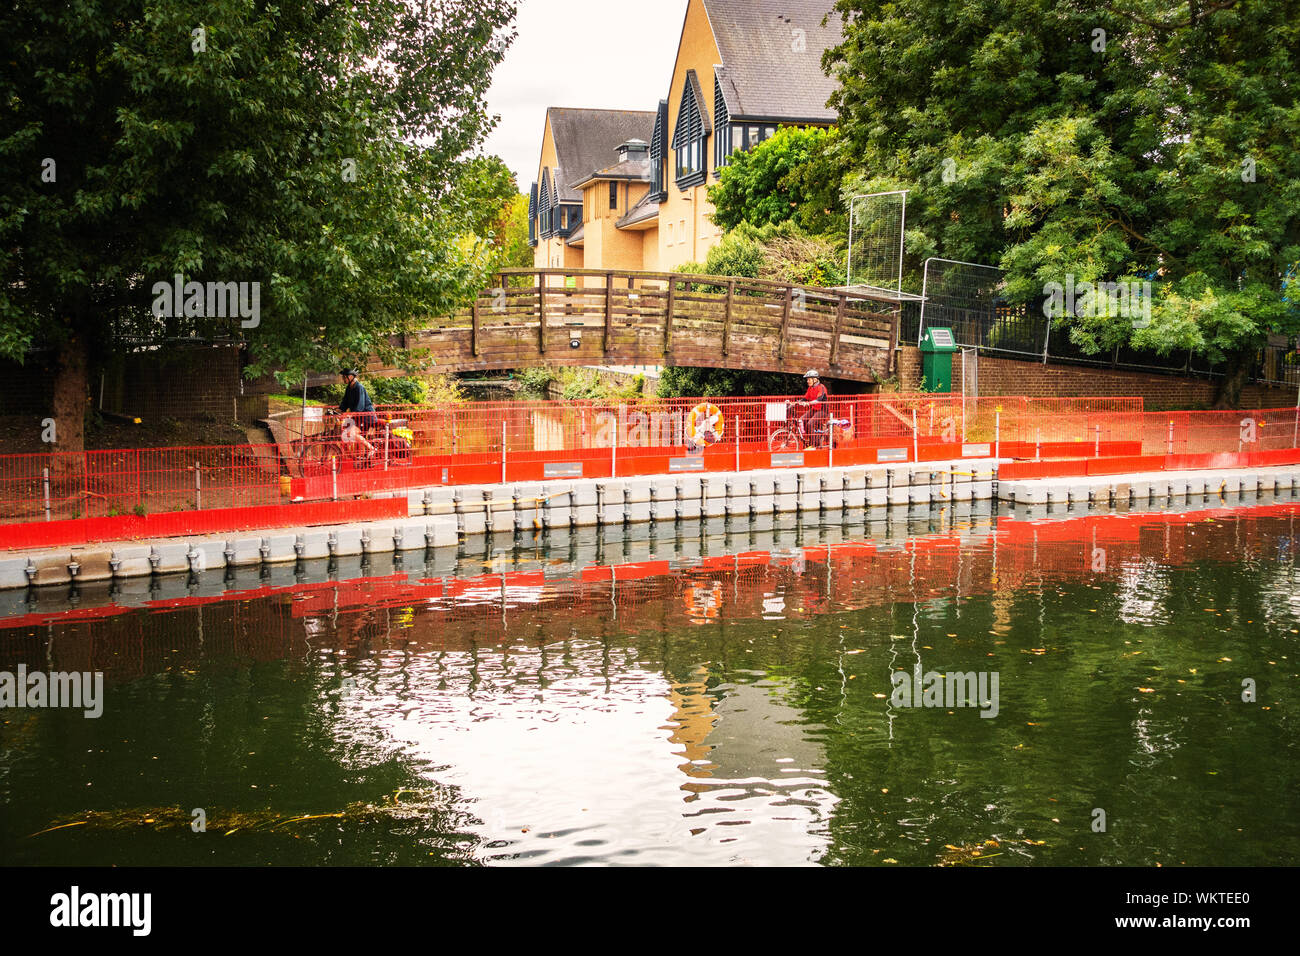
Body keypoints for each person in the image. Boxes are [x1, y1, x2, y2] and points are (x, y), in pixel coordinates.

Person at [336, 368, 377, 459]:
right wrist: (338, 410)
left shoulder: (359, 387)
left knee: (351, 433)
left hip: (366, 417)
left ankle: (371, 448)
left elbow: (360, 406)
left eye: (344, 377)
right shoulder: (349, 388)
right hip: (358, 417)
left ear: (350, 377)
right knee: (347, 433)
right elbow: (345, 402)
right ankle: (360, 456)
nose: (343, 379)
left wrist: (349, 414)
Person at [793, 369, 828, 449]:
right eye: (807, 379)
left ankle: (813, 445)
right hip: (814, 409)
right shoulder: (810, 388)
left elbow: (819, 399)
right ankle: (810, 438)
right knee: (802, 420)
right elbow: (805, 398)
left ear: (815, 379)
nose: (807, 381)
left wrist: (808, 403)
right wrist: (796, 402)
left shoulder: (821, 387)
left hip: (822, 410)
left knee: (810, 423)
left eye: (809, 379)